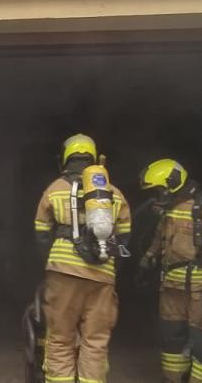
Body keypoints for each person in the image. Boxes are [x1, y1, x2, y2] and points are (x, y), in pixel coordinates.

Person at [33, 133, 132, 383]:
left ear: (65, 159)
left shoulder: (55, 189)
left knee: (60, 338)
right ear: (95, 158)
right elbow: (124, 238)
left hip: (63, 272)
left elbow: (41, 233)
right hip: (102, 274)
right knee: (96, 341)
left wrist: (52, 262)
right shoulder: (113, 193)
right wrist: (109, 267)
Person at [137, 159, 202, 383]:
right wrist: (146, 261)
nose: (158, 195)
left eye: (159, 189)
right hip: (171, 288)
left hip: (201, 292)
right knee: (171, 341)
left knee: (201, 345)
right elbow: (159, 239)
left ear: (172, 183)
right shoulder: (171, 210)